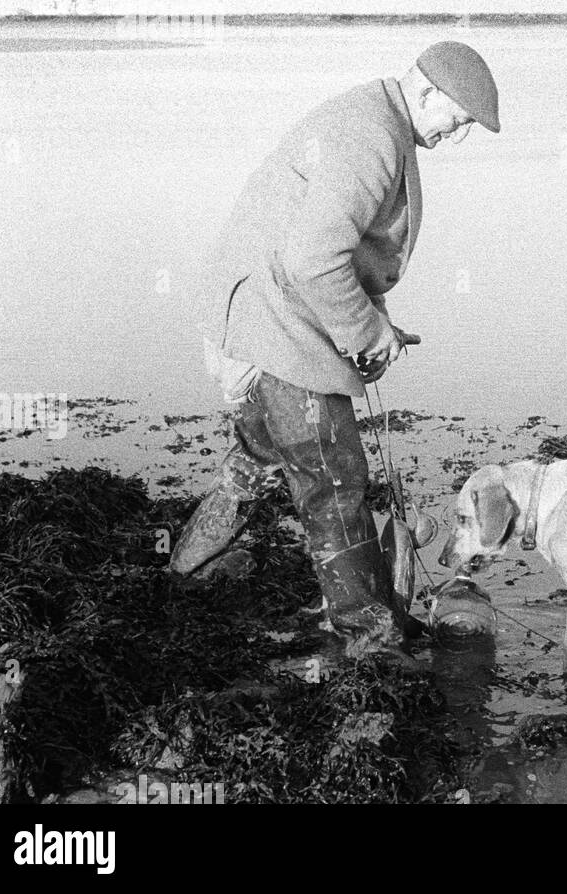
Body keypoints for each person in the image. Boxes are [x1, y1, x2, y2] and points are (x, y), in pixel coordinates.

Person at [170, 40, 500, 664]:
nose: (454, 137)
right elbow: (313, 259)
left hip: (256, 315)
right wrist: (367, 336)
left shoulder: (377, 118)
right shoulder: (371, 137)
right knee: (334, 477)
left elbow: (338, 252)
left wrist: (378, 322)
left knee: (264, 449)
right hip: (274, 323)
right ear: (427, 92)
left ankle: (189, 567)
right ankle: (369, 640)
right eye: (455, 122)